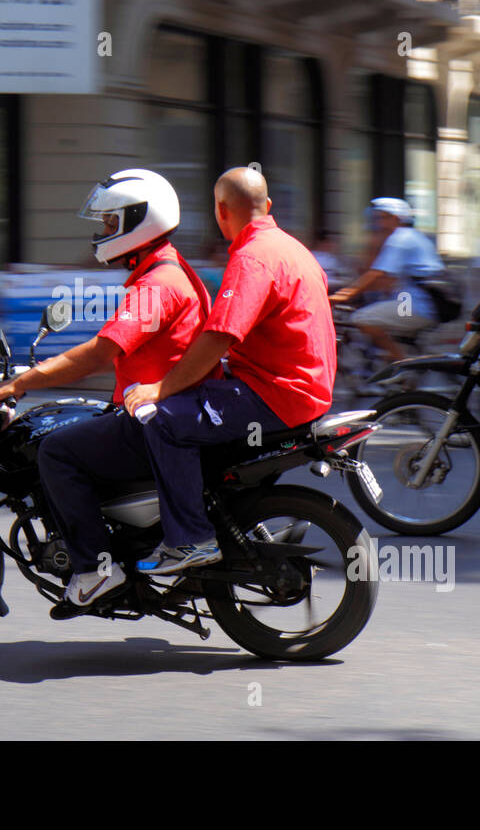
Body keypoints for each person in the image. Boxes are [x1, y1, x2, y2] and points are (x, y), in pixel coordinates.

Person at [0, 169, 214, 614]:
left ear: (140, 222)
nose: (102, 232)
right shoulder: (172, 269)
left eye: (110, 223)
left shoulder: (154, 287)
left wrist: (20, 381)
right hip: (168, 408)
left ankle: (95, 569)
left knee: (56, 452)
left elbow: (96, 354)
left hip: (157, 415)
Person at [123, 167, 336, 575]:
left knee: (163, 420)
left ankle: (189, 541)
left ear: (221, 210)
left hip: (277, 395)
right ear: (268, 206)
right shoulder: (294, 248)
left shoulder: (251, 256)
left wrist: (160, 387)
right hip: (309, 390)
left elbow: (220, 335)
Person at [328, 198, 444, 365]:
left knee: (362, 319)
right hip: (420, 303)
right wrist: (357, 291)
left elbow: (378, 273)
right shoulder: (414, 236)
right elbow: (386, 281)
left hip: (416, 306)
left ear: (396, 219)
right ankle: (393, 367)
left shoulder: (399, 239)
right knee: (378, 319)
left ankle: (402, 362)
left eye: (383, 218)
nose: (379, 223)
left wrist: (344, 295)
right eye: (377, 218)